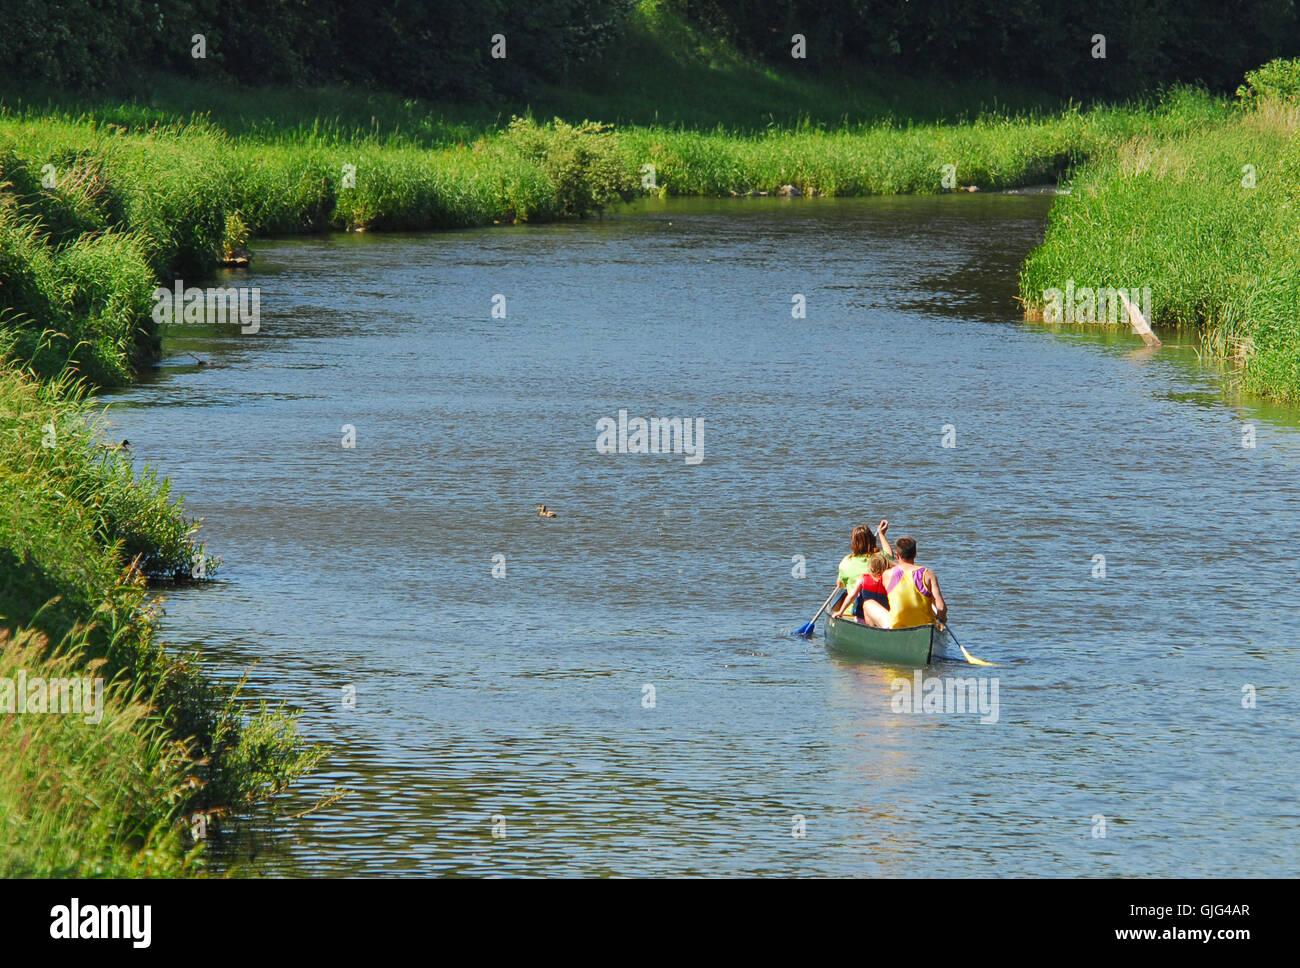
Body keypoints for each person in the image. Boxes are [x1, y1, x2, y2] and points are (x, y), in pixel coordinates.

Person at [883, 536, 946, 629]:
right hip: (925, 628)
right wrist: (941, 617)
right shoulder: (928, 574)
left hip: (897, 627)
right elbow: (941, 608)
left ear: (897, 555)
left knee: (869, 603)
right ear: (915, 554)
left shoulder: (887, 574)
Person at [835, 520, 894, 619]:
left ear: (853, 543)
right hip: (880, 610)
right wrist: (882, 534)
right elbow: (890, 555)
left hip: (853, 613)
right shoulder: (881, 558)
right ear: (872, 540)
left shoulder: (846, 562)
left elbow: (841, 584)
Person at [835, 552, 892, 626]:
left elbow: (852, 596)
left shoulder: (863, 578)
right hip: (882, 620)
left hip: (862, 619)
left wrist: (841, 612)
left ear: (870, 568)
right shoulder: (888, 581)